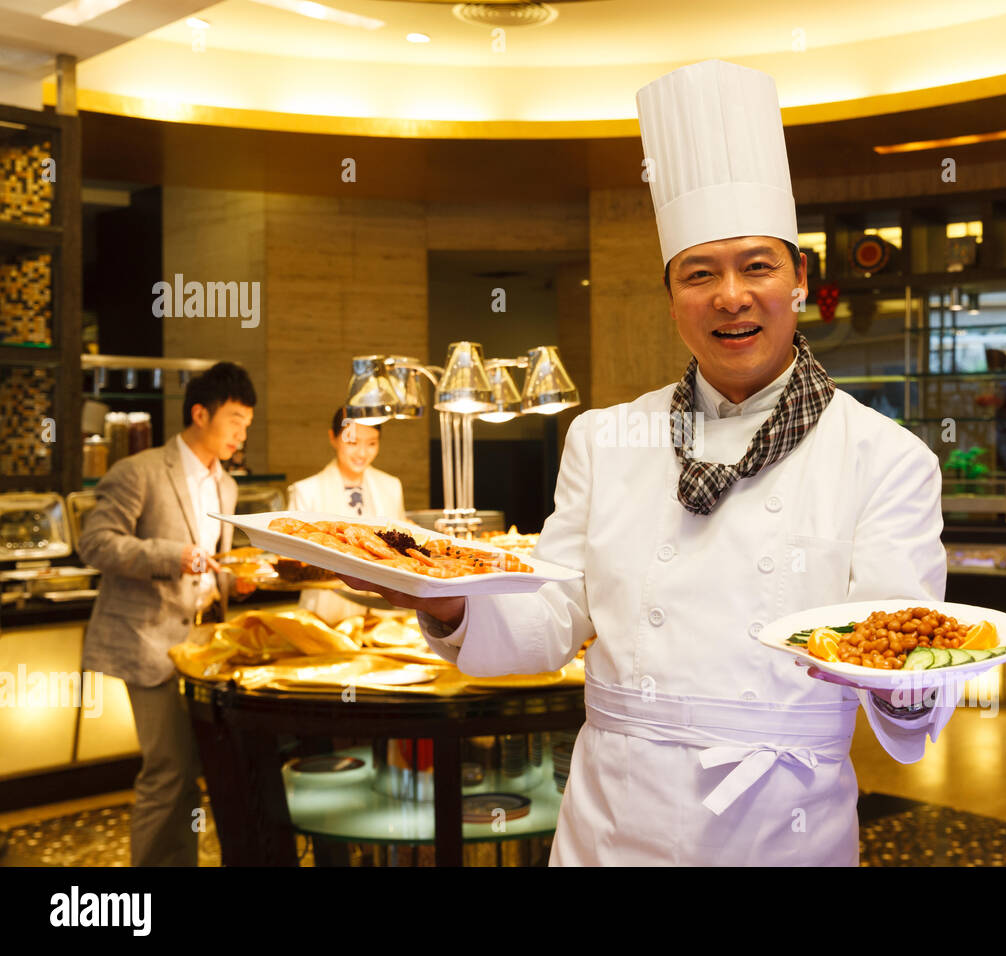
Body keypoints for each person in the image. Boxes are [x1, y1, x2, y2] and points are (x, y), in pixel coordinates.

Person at [339, 59, 950, 866]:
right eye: (700, 273)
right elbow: (553, 619)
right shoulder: (604, 438)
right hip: (611, 829)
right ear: (672, 298)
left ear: (799, 279)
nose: (730, 295)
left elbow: (901, 662)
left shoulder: (885, 457)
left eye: (756, 265)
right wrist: (445, 603)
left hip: (781, 829)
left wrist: (912, 686)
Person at [79, 361, 257, 866]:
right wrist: (169, 556)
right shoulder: (138, 470)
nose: (241, 433)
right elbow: (95, 544)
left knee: (208, 765)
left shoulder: (228, 486)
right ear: (200, 413)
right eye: (235, 420)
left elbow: (212, 565)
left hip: (206, 644)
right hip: (148, 640)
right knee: (169, 771)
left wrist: (235, 580)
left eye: (247, 423)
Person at [286, 408, 405, 625]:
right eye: (352, 442)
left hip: (385, 614)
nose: (362, 453)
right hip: (326, 613)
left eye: (371, 443)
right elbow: (294, 560)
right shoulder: (306, 491)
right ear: (333, 438)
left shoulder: (391, 486)